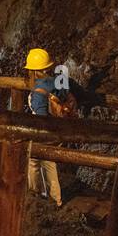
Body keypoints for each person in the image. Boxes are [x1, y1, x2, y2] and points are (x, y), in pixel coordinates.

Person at [23, 48, 72, 207]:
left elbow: (41, 118)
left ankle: (34, 195)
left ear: (34, 71)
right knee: (50, 164)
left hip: (44, 135)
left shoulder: (38, 91)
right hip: (57, 132)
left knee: (33, 163)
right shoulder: (56, 81)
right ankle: (56, 200)